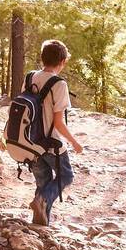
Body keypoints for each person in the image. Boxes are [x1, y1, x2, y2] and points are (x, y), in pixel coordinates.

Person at [28, 39, 83, 226]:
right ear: (62, 61)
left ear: (43, 58)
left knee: (43, 183)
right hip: (52, 143)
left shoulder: (30, 77)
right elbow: (58, 123)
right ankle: (42, 200)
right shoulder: (59, 84)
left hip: (30, 143)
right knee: (66, 176)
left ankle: (39, 225)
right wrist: (74, 142)